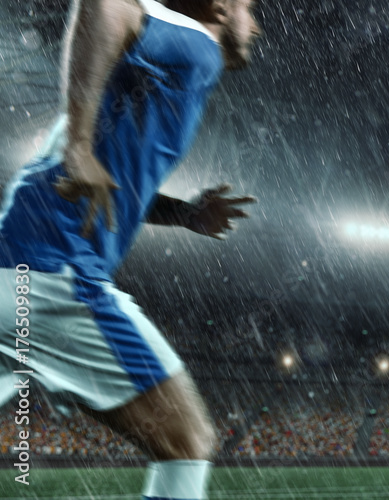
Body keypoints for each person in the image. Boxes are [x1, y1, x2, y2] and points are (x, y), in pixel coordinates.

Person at [0, 0, 260, 498]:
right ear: (222, 8)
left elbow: (116, 187)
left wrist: (184, 214)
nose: (259, 26)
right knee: (188, 441)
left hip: (14, 266)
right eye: (251, 7)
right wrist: (77, 143)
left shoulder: (165, 64)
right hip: (55, 270)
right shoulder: (196, 45)